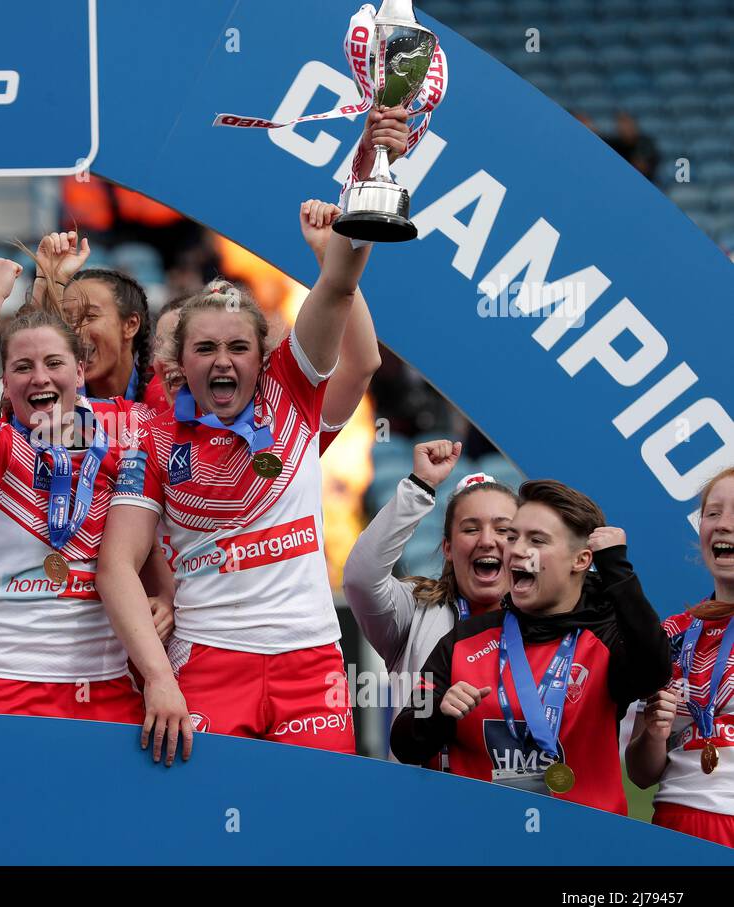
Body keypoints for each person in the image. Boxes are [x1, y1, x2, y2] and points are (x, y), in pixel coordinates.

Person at [98, 197, 378, 763]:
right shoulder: (154, 437)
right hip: (210, 661)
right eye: (205, 348)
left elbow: (342, 299)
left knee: (315, 828)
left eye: (237, 347)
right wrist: (157, 676)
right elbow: (115, 565)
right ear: (181, 362)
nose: (222, 360)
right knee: (203, 839)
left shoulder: (292, 395)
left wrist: (333, 248)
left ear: (264, 358)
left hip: (311, 663)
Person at [0, 256, 172, 724]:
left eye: (54, 363)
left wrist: (167, 599)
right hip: (4, 684)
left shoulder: (128, 434)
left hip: (109, 685)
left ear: (81, 373)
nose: (41, 377)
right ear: (5, 384)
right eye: (22, 368)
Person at [390, 480, 671, 814]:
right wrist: (438, 714)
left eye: (536, 540)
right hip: (480, 843)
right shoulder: (461, 641)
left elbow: (654, 669)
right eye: (513, 537)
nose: (516, 550)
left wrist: (616, 568)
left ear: (580, 560)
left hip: (585, 847)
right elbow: (404, 743)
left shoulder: (607, 641)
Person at [344, 440, 517, 749]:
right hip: (422, 790)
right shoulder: (414, 611)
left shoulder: (544, 619)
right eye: (470, 528)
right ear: (448, 548)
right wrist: (419, 487)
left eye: (504, 530)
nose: (488, 540)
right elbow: (361, 577)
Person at [626, 467, 734, 846]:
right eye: (713, 513)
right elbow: (641, 774)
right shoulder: (671, 634)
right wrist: (655, 735)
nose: (723, 525)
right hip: (678, 822)